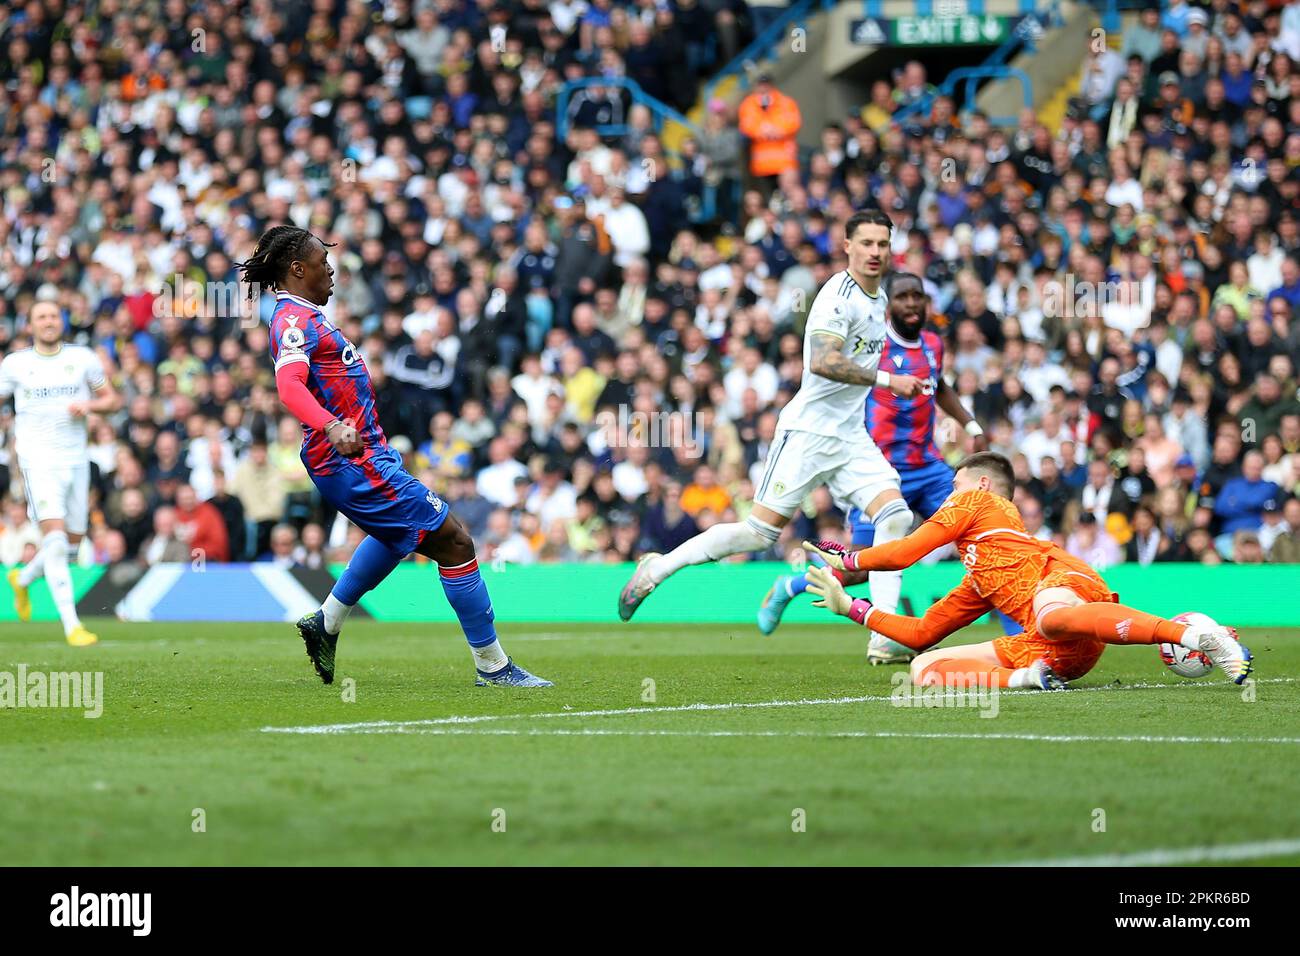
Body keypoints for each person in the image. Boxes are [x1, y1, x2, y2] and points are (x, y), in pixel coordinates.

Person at [238, 226, 550, 687]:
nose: (331, 272)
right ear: (297, 269)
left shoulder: (308, 317)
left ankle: (326, 622)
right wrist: (331, 424)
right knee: (455, 542)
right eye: (323, 264)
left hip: (367, 454)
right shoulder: (291, 321)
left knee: (395, 535)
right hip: (347, 459)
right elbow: (288, 387)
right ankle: (494, 666)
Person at [618, 210, 923, 620]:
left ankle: (885, 632)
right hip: (808, 432)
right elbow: (822, 361)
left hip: (850, 435)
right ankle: (658, 567)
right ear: (847, 246)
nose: (875, 252)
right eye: (866, 243)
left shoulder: (879, 298)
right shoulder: (838, 297)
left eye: (882, 244)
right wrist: (888, 380)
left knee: (896, 515)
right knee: (758, 533)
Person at [802, 452, 1254, 690]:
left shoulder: (976, 501)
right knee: (924, 668)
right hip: (1063, 656)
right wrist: (851, 608)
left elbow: (905, 553)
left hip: (1065, 584)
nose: (947, 496)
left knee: (1047, 614)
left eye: (954, 485)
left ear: (979, 486)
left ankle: (1194, 637)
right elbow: (922, 633)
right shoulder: (981, 572)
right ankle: (1027, 680)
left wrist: (852, 560)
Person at [754, 272, 993, 665]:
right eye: (903, 297)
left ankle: (1019, 627)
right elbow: (833, 373)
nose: (913, 304)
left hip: (929, 466)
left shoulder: (933, 343)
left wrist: (970, 425)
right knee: (865, 563)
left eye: (919, 296)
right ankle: (792, 585)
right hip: (877, 469)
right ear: (889, 304)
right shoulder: (872, 347)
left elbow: (941, 386)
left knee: (980, 531)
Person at [1, 298, 121, 646]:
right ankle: (72, 626)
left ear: (62, 321)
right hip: (37, 460)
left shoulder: (82, 359)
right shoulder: (15, 364)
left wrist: (91, 405)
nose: (48, 321)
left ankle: (22, 581)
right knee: (53, 538)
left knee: (71, 543)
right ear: (30, 324)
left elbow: (112, 400)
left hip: (75, 460)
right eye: (41, 317)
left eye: (53, 315)